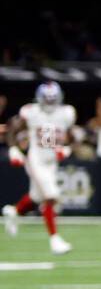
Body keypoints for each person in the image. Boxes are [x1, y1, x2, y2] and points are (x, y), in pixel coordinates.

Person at [2, 82, 77, 254]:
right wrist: (14, 149)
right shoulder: (32, 112)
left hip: (51, 162)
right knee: (51, 197)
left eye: (53, 99)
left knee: (36, 197)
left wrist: (67, 148)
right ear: (40, 98)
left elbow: (71, 136)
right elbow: (12, 129)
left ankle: (13, 211)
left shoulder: (66, 114)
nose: (50, 103)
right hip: (36, 160)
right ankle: (55, 240)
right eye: (47, 99)